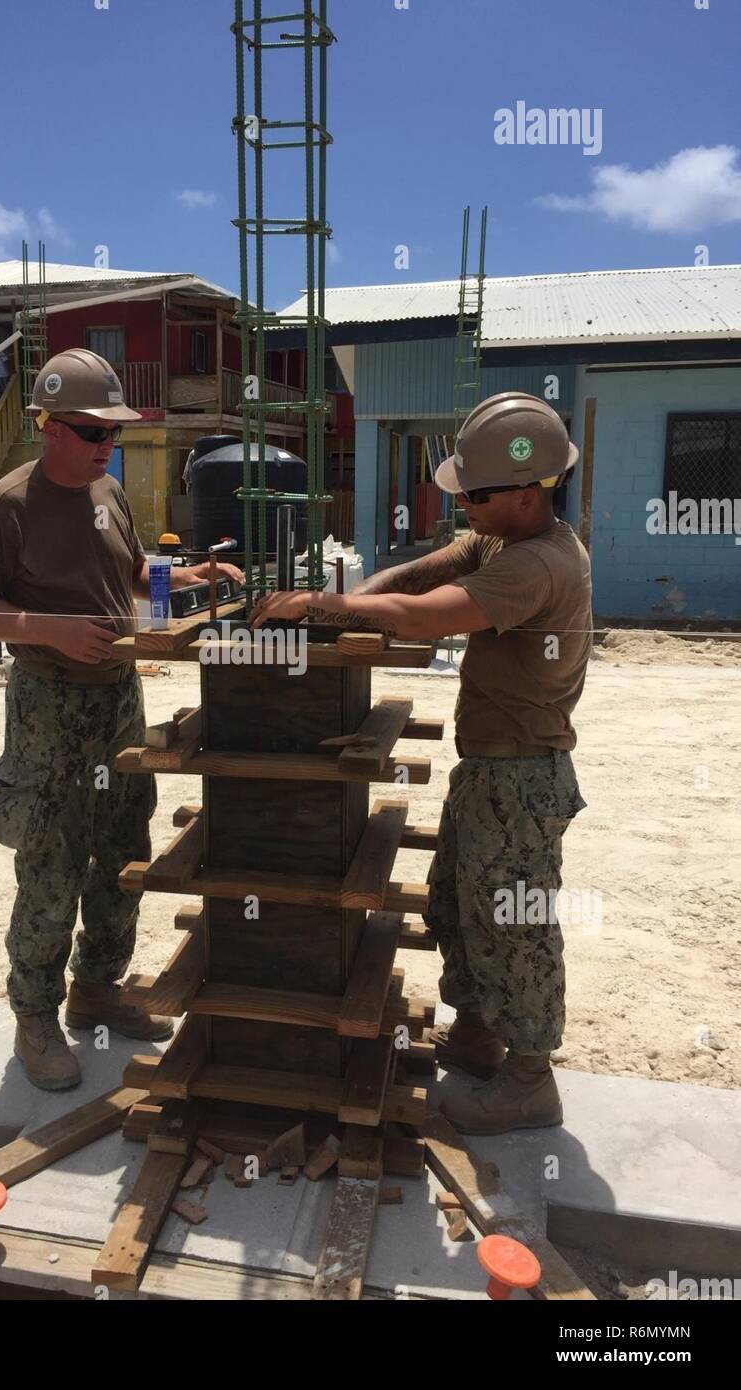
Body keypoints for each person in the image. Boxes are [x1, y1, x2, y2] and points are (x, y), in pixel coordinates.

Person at [251, 392, 592, 1134]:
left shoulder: (537, 563)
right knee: (460, 907)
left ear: (529, 490)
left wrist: (314, 603)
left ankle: (529, 1079)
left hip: (523, 777)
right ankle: (476, 1038)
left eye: (476, 494)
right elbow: (416, 576)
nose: (464, 505)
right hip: (492, 770)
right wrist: (343, 605)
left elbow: (430, 616)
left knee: (513, 924)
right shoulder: (501, 538)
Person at [0, 348, 243, 1090]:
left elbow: (131, 573)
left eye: (112, 433)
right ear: (49, 426)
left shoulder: (106, 492)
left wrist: (191, 575)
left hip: (116, 697)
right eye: (92, 432)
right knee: (52, 857)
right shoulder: (5, 506)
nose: (105, 446)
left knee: (121, 848)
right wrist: (48, 629)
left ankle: (97, 988)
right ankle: (34, 1017)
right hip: (49, 705)